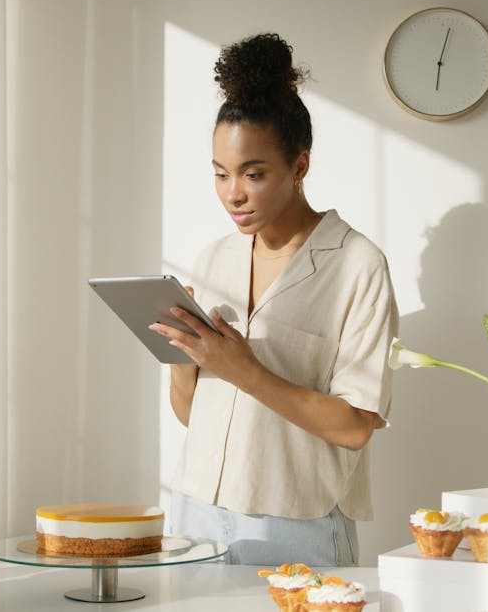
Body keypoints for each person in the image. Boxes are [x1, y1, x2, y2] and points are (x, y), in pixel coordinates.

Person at [149, 33, 399, 567]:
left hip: (296, 521)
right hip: (195, 511)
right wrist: (182, 363)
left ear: (300, 166)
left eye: (253, 174)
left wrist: (242, 368)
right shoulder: (214, 258)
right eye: (220, 174)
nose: (232, 193)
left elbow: (356, 426)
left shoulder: (358, 266)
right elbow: (195, 416)